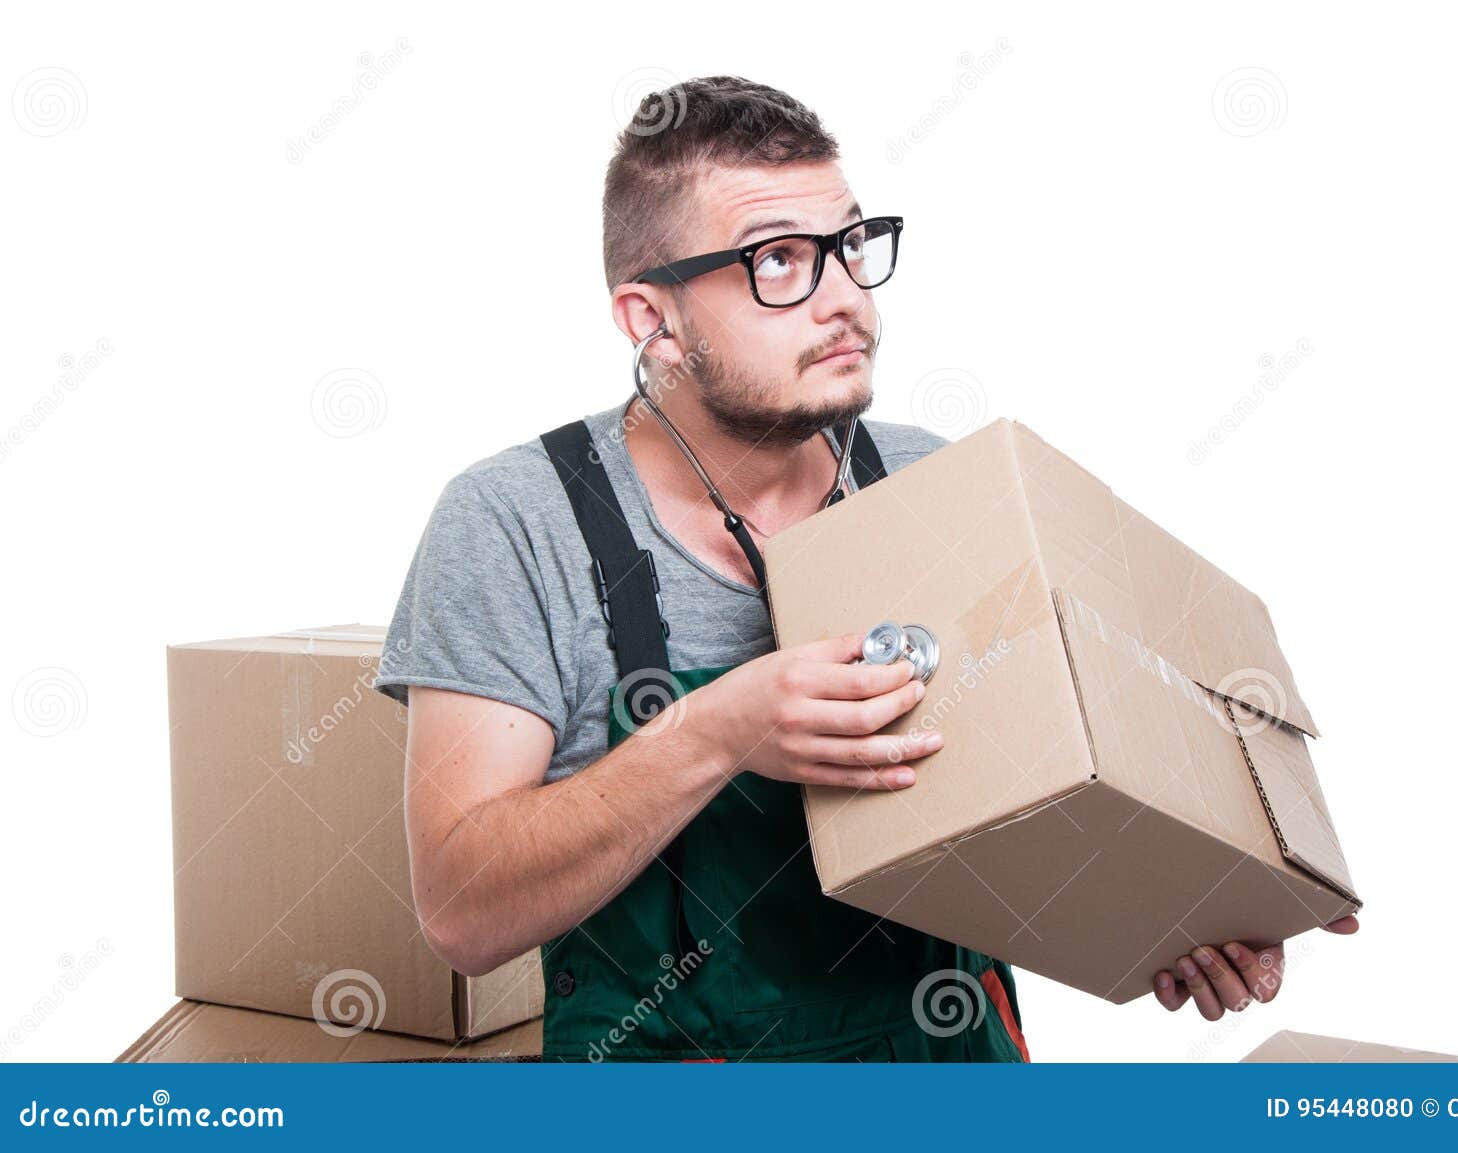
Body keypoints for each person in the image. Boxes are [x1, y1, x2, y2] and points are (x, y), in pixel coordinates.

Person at [374, 75, 1354, 1062]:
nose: (845, 298)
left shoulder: (933, 482)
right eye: (779, 261)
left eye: (849, 246)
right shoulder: (517, 521)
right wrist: (715, 732)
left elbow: (1044, 798)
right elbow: (462, 913)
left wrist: (1167, 911)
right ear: (649, 320)